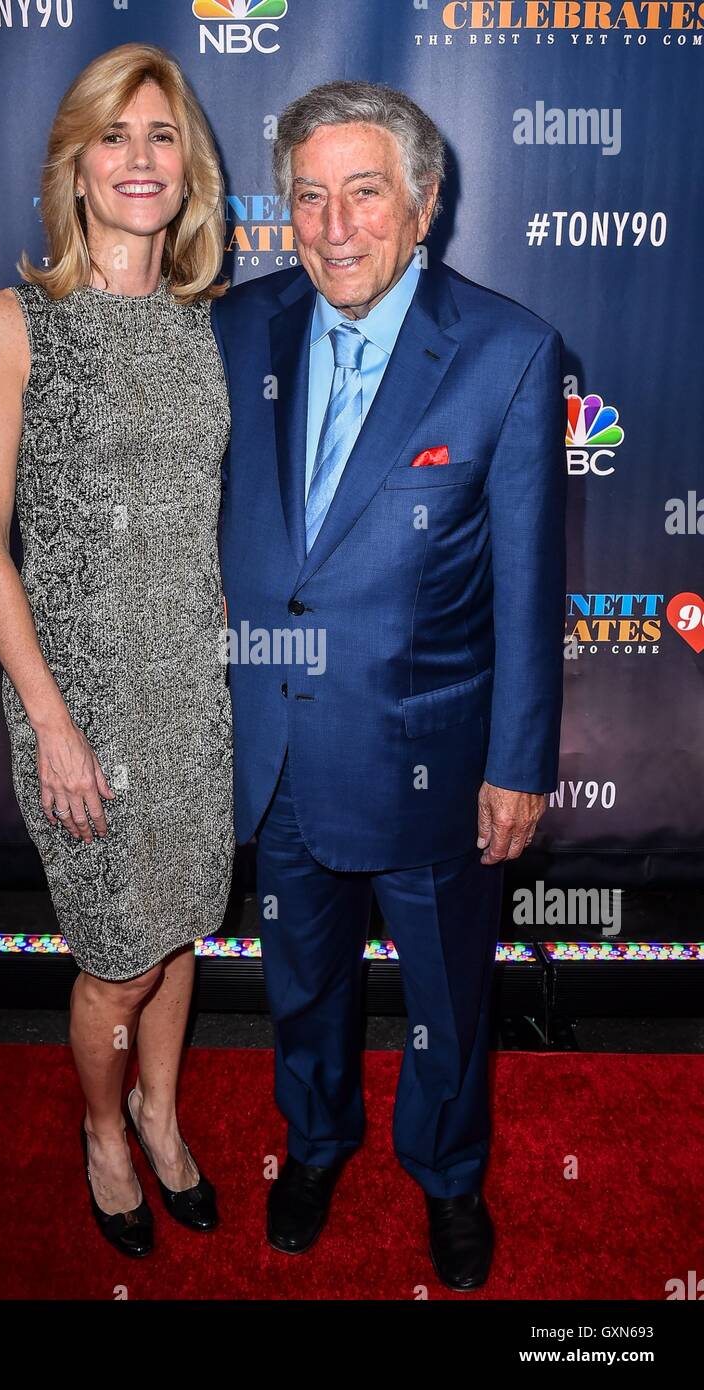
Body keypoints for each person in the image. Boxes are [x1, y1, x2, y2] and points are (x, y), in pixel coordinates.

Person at [211, 79, 566, 1289]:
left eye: (366, 193)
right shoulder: (237, 328)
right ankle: (315, 1142)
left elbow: (528, 580)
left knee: (448, 1002)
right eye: (308, 196)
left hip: (435, 755)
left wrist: (517, 761)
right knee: (301, 980)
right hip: (278, 747)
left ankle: (449, 1177)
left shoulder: (508, 352)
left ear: (423, 207)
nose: (334, 225)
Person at [0, 44, 234, 1257]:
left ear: (190, 169)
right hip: (84, 699)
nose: (138, 160)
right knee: (116, 956)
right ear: (74, 165)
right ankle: (105, 1131)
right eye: (113, 138)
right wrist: (55, 722)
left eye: (160, 136)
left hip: (192, 684)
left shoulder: (199, 322)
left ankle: (165, 1115)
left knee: (178, 929)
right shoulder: (11, 323)